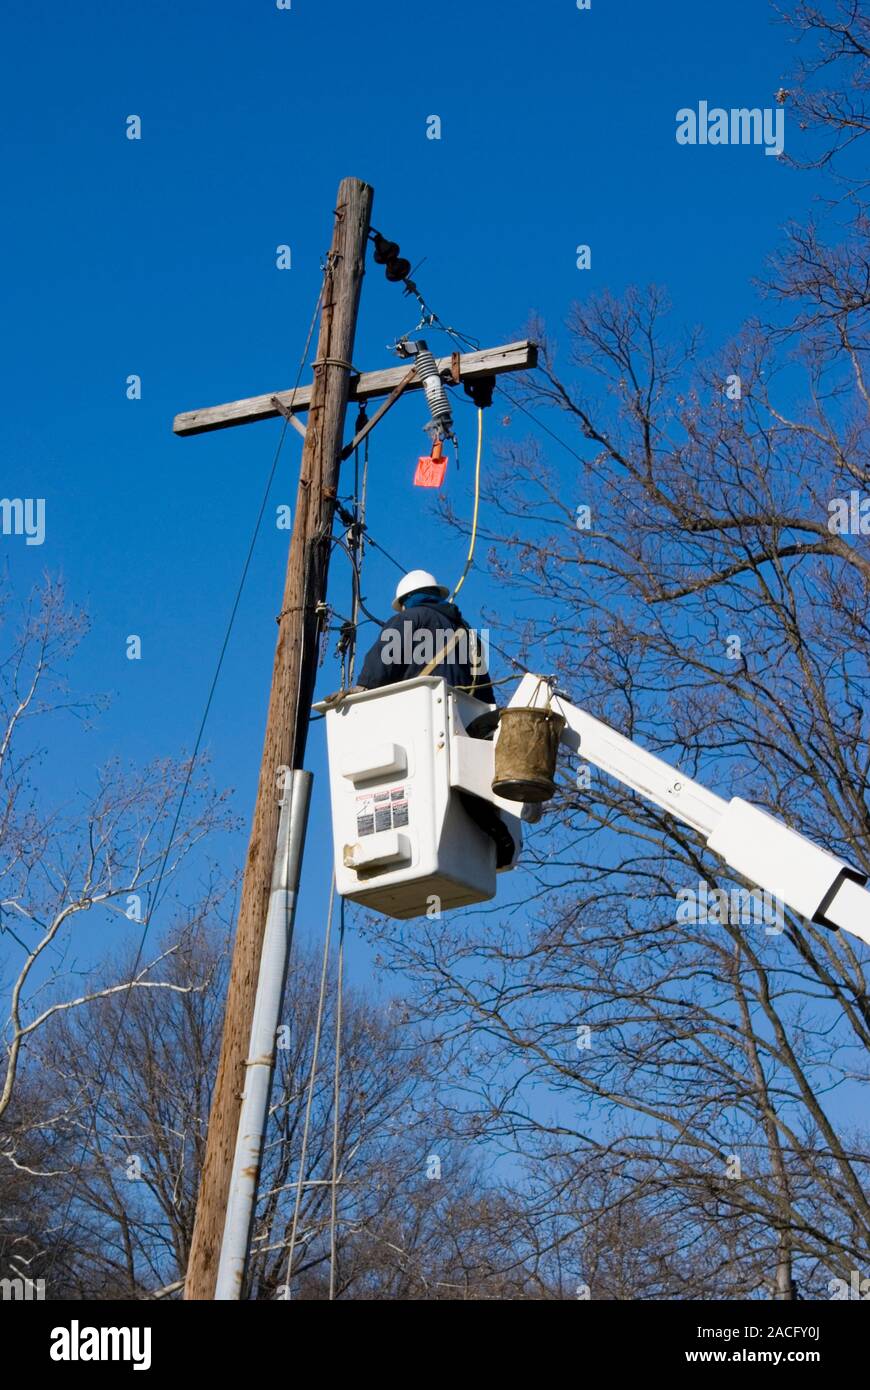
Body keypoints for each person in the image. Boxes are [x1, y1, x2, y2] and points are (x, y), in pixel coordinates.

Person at [336, 569, 514, 868]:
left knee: (410, 783)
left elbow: (380, 662)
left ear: (406, 601)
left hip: (421, 718)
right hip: (463, 720)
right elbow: (484, 689)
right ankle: (493, 838)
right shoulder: (469, 635)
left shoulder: (409, 620)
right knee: (459, 781)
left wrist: (362, 689)